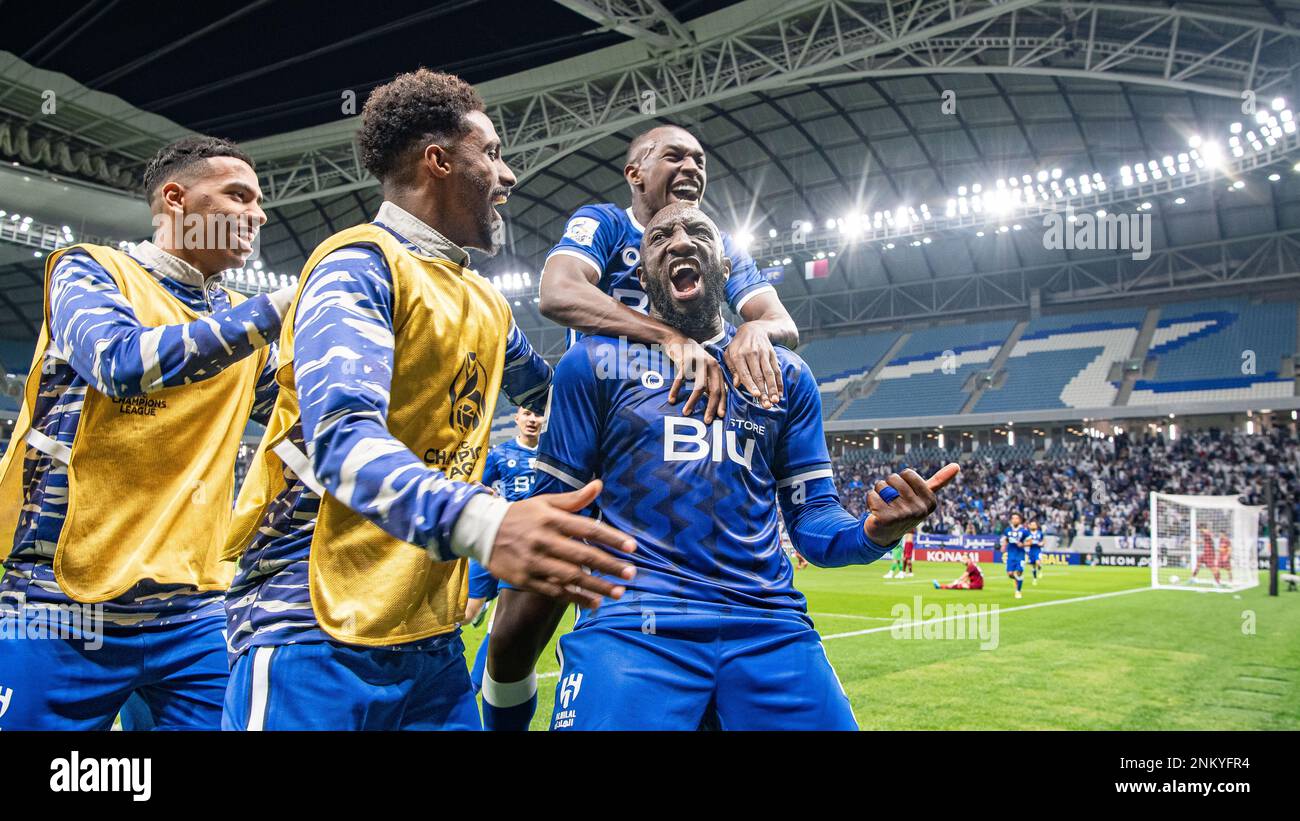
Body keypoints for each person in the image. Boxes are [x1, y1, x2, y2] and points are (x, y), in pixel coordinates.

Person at [220, 69, 636, 731]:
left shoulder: (488, 306)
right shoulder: (357, 265)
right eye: (492, 154)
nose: (509, 176)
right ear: (438, 161)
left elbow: (564, 395)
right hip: (312, 626)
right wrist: (490, 523)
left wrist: (670, 349)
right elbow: (342, 440)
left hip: (430, 640)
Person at [536, 203, 958, 729]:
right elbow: (547, 510)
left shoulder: (788, 375)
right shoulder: (593, 364)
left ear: (727, 267)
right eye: (661, 235)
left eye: (699, 233)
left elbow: (812, 524)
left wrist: (872, 532)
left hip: (767, 624)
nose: (680, 240)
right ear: (643, 274)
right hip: (634, 626)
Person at [482, 122, 802, 730]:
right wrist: (665, 335)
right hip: (598, 430)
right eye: (674, 155)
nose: (691, 167)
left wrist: (756, 329)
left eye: (700, 158)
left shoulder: (713, 240)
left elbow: (779, 318)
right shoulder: (605, 223)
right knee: (525, 611)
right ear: (636, 173)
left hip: (684, 434)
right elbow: (557, 291)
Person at [0, 136, 289, 731]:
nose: (257, 215)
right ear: (176, 199)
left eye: (259, 202)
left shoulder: (240, 320)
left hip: (196, 611)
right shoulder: (91, 270)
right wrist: (280, 307)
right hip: (61, 606)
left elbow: (301, 416)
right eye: (238, 196)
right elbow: (120, 363)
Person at [465, 406, 542, 695]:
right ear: (517, 419)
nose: (532, 420)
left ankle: (472, 685)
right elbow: (478, 484)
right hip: (498, 537)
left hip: (529, 548)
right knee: (468, 612)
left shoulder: (551, 453)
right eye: (527, 414)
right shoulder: (501, 454)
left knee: (506, 620)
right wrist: (487, 494)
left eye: (537, 414)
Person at [1002, 513, 1029, 599]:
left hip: (1020, 555)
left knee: (1018, 572)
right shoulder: (1007, 530)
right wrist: (1003, 546)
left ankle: (1018, 591)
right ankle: (1019, 579)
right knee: (1010, 574)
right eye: (1013, 518)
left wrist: (1023, 544)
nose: (1015, 520)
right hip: (1010, 555)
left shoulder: (1024, 531)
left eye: (1016, 518)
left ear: (1020, 520)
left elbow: (1030, 541)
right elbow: (1006, 539)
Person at [1026, 518, 1044, 584]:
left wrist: (1041, 544)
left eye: (1034, 525)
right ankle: (1034, 578)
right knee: (1033, 566)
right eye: (1032, 525)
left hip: (1037, 550)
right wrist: (1028, 543)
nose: (1033, 526)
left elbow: (1043, 541)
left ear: (1036, 526)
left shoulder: (1040, 533)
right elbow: (1026, 541)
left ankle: (1040, 569)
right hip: (1031, 550)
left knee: (1038, 562)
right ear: (1030, 526)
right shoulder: (1028, 533)